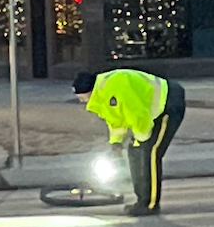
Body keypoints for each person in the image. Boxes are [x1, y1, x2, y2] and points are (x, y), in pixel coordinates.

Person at [74, 68, 186, 216]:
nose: (81, 101)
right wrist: (116, 143)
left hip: (168, 104)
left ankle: (150, 205)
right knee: (134, 152)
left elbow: (138, 115)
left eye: (82, 97)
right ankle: (141, 200)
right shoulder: (101, 98)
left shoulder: (118, 85)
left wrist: (141, 139)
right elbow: (116, 121)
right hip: (150, 112)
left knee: (150, 153)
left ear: (90, 92)